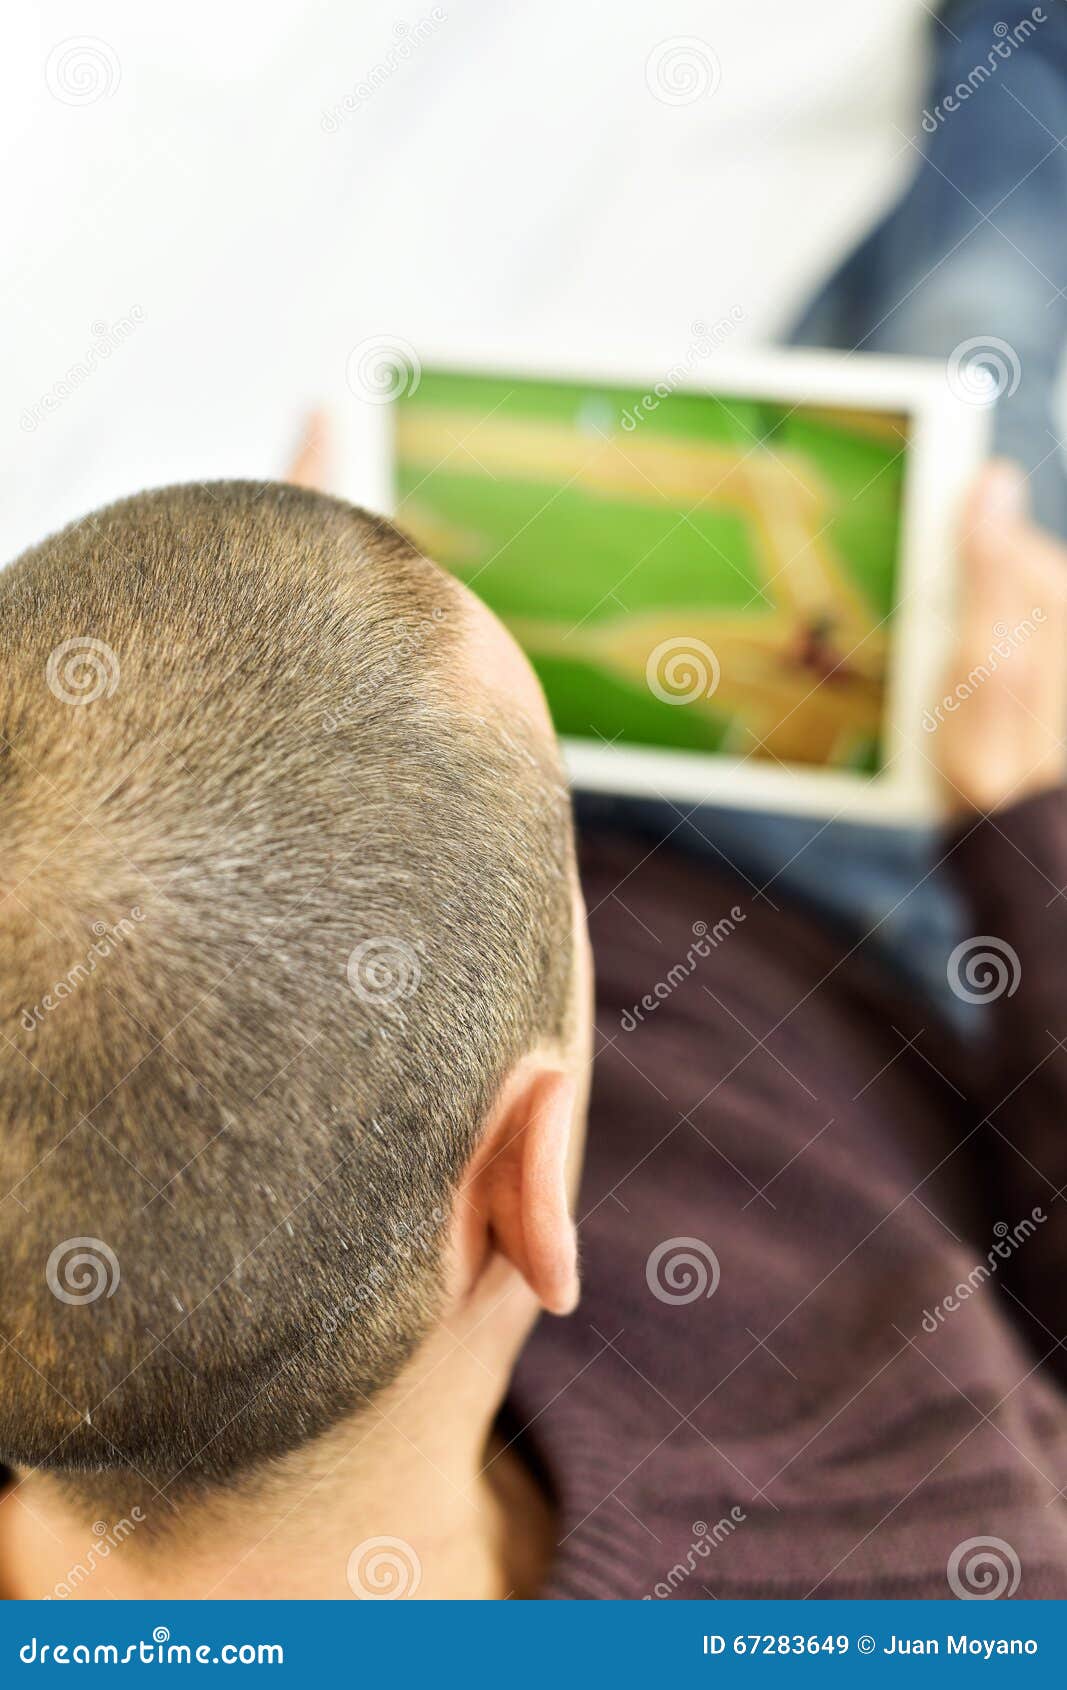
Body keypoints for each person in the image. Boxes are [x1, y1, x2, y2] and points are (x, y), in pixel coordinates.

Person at [0, 0, 1066, 1604]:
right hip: (885, 928)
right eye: (541, 810)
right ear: (525, 1178)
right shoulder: (948, 1557)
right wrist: (1030, 822)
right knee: (998, 250)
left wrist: (333, 674)